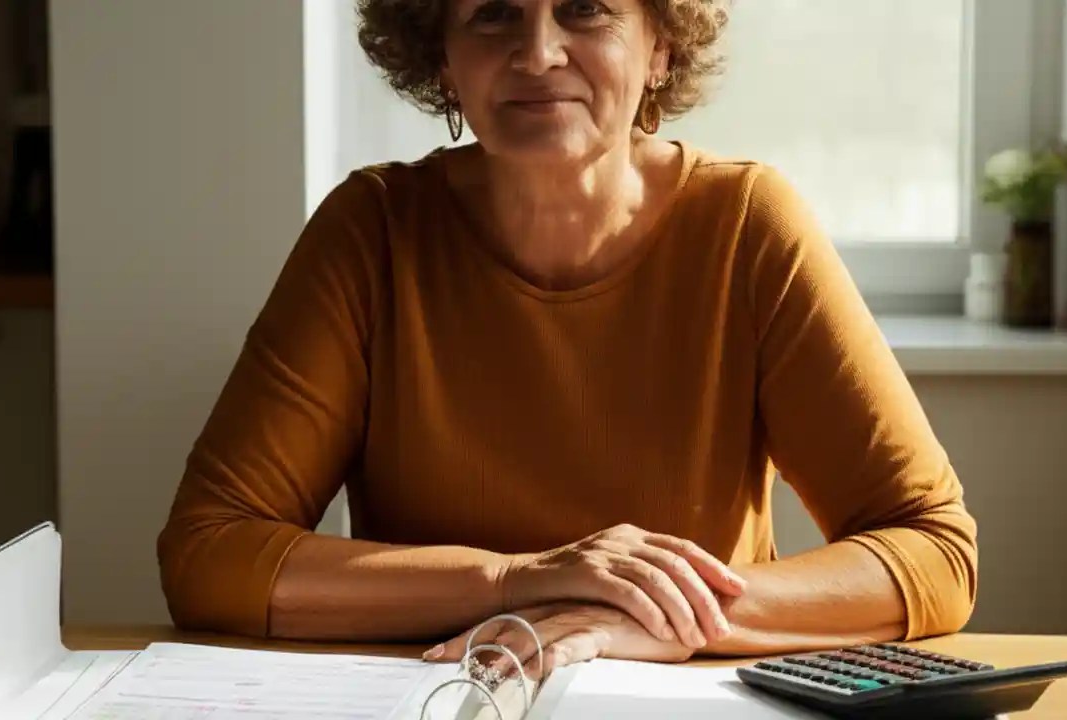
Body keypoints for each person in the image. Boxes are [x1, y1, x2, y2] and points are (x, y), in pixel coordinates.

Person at [157, 0, 977, 674]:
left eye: (585, 11)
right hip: (450, 696)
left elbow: (933, 551)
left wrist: (650, 618)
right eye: (492, 16)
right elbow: (209, 554)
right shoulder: (370, 232)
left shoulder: (746, 227)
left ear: (660, 46)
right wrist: (517, 581)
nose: (539, 51)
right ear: (440, 56)